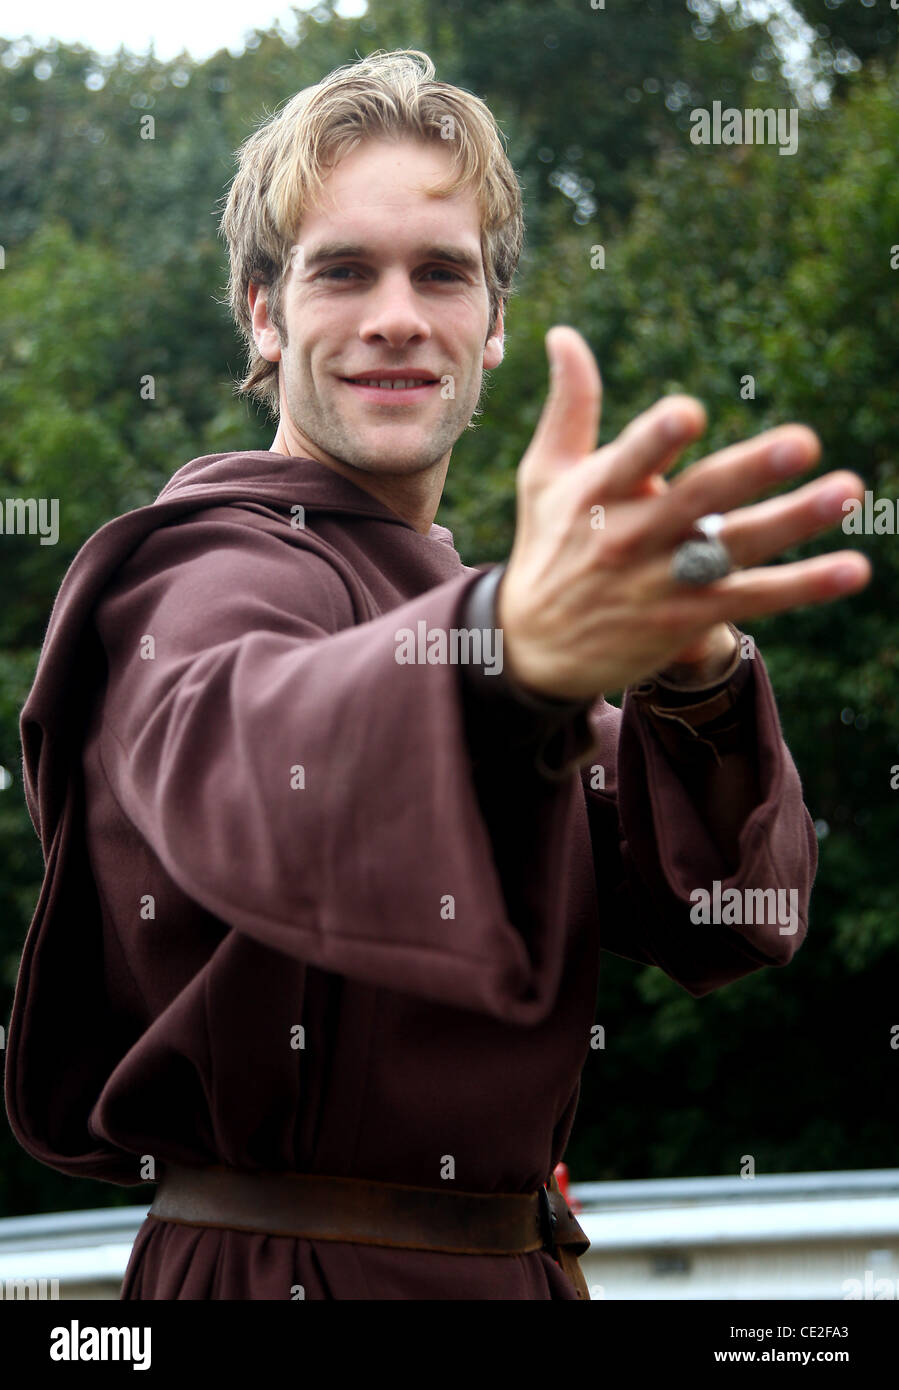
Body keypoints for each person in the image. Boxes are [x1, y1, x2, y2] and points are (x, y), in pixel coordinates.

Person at [4, 49, 870, 1301]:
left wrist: (692, 668)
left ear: (496, 320)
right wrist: (508, 653)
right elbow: (247, 756)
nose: (396, 315)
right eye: (342, 269)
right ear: (262, 311)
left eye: (442, 272)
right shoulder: (195, 574)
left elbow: (727, 915)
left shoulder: (477, 615)